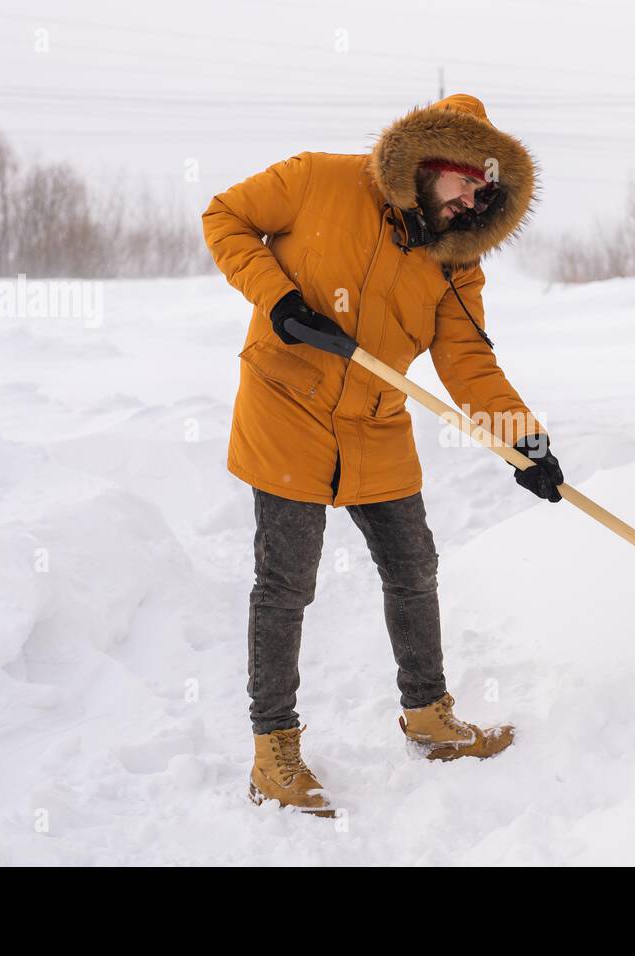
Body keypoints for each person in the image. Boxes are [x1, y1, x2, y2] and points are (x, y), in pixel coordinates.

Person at [201, 93, 565, 816]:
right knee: (286, 584)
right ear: (433, 163)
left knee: (413, 568)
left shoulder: (455, 260)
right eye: (469, 183)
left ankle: (429, 717)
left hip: (375, 421)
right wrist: (277, 299)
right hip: (286, 407)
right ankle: (274, 750)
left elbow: (467, 358)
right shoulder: (319, 181)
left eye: (487, 193)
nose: (474, 202)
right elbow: (224, 218)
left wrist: (521, 439)